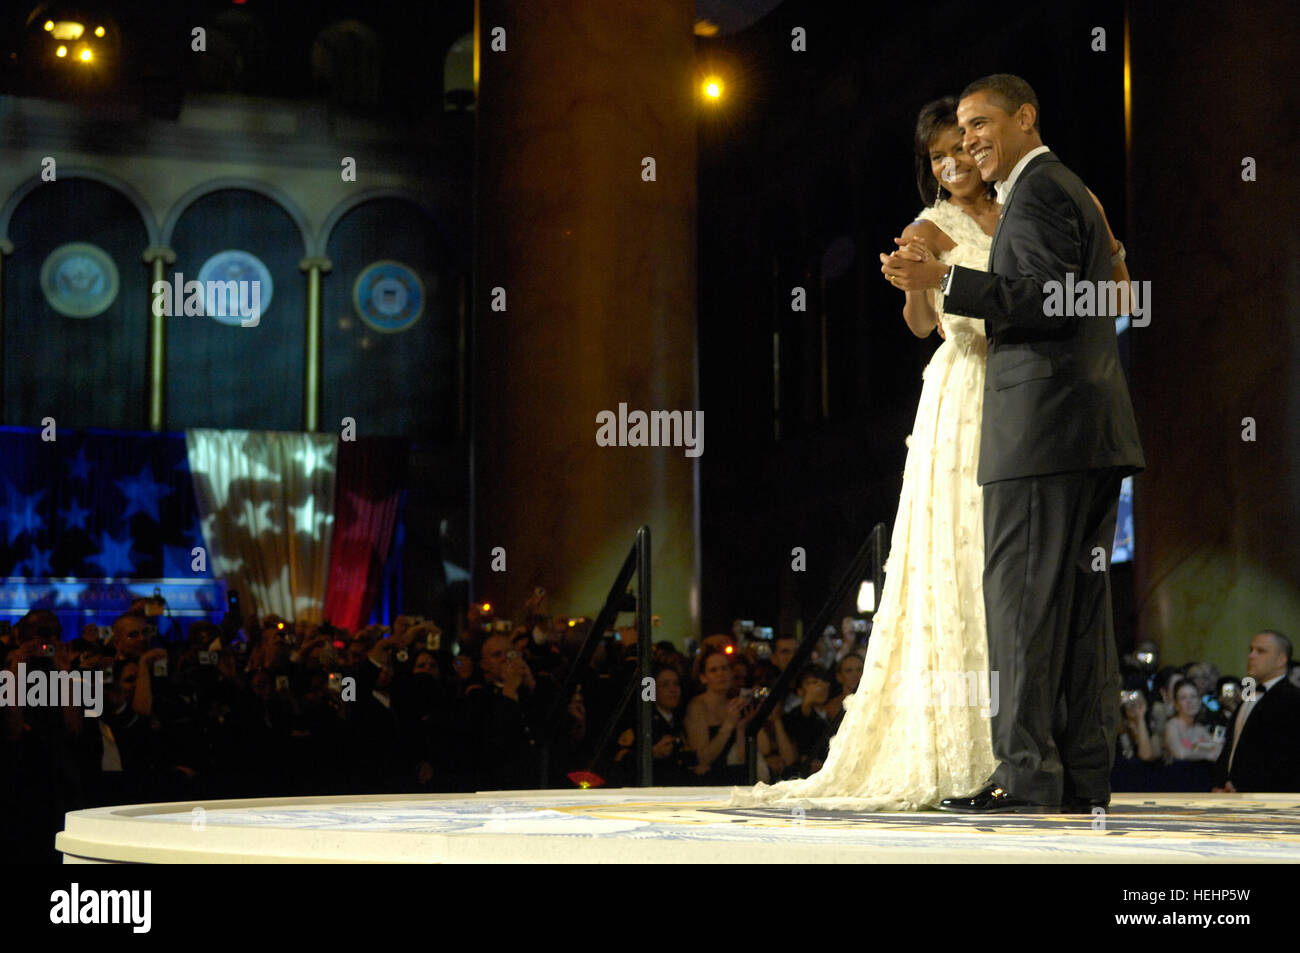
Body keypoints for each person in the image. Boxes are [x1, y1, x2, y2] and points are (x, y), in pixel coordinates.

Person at [730, 94, 1002, 810]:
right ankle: (960, 748)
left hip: (1026, 390)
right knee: (960, 555)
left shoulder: (1019, 209)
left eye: (959, 147)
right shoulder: (930, 224)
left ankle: (1019, 741)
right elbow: (919, 325)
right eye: (936, 157)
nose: (950, 164)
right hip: (964, 390)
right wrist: (913, 282)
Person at [883, 74, 1145, 814]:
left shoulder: (1037, 191)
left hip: (1037, 428)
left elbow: (1041, 299)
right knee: (1081, 617)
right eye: (957, 134)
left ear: (1025, 118)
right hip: (1086, 430)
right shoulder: (1073, 190)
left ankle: (1027, 777)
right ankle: (1082, 777)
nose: (966, 142)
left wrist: (946, 279)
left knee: (1025, 608)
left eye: (978, 123)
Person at [1212, 631, 1300, 792]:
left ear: (1281, 660)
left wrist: (1244, 788)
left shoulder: (1294, 700)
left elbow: (1287, 760)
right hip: (1229, 797)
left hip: (1268, 802)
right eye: (1251, 650)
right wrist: (1219, 784)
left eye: (1261, 651)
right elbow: (1232, 747)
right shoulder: (1249, 697)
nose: (1251, 656)